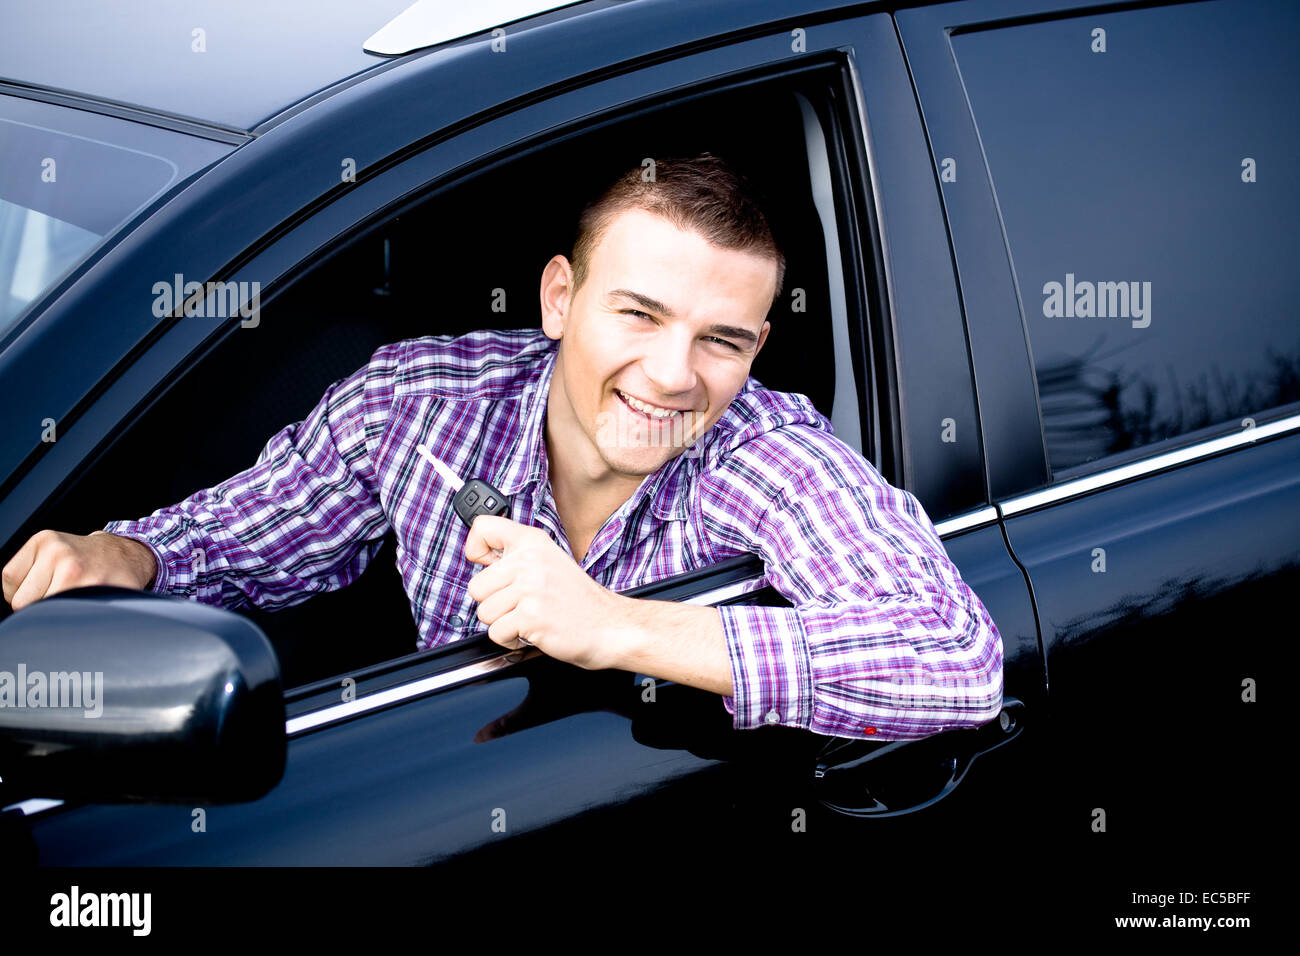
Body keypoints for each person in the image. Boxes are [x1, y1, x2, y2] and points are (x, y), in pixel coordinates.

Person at [1, 152, 1002, 741]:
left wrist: (615, 627)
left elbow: (954, 658)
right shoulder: (422, 401)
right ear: (559, 298)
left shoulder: (764, 450)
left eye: (720, 339)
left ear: (756, 347)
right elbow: (243, 534)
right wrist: (123, 557)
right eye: (639, 314)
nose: (671, 373)